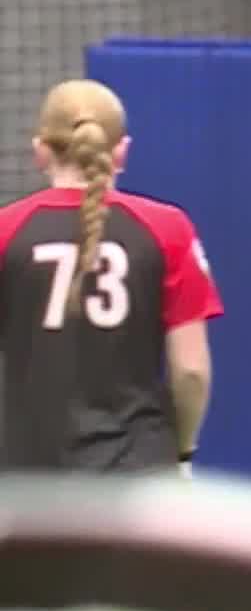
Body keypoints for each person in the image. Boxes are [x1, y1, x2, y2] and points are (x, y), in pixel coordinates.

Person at [0, 79, 221, 474]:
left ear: (40, 152)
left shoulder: (7, 230)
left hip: (29, 485)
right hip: (138, 477)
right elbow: (190, 370)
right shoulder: (168, 229)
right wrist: (183, 452)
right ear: (121, 152)